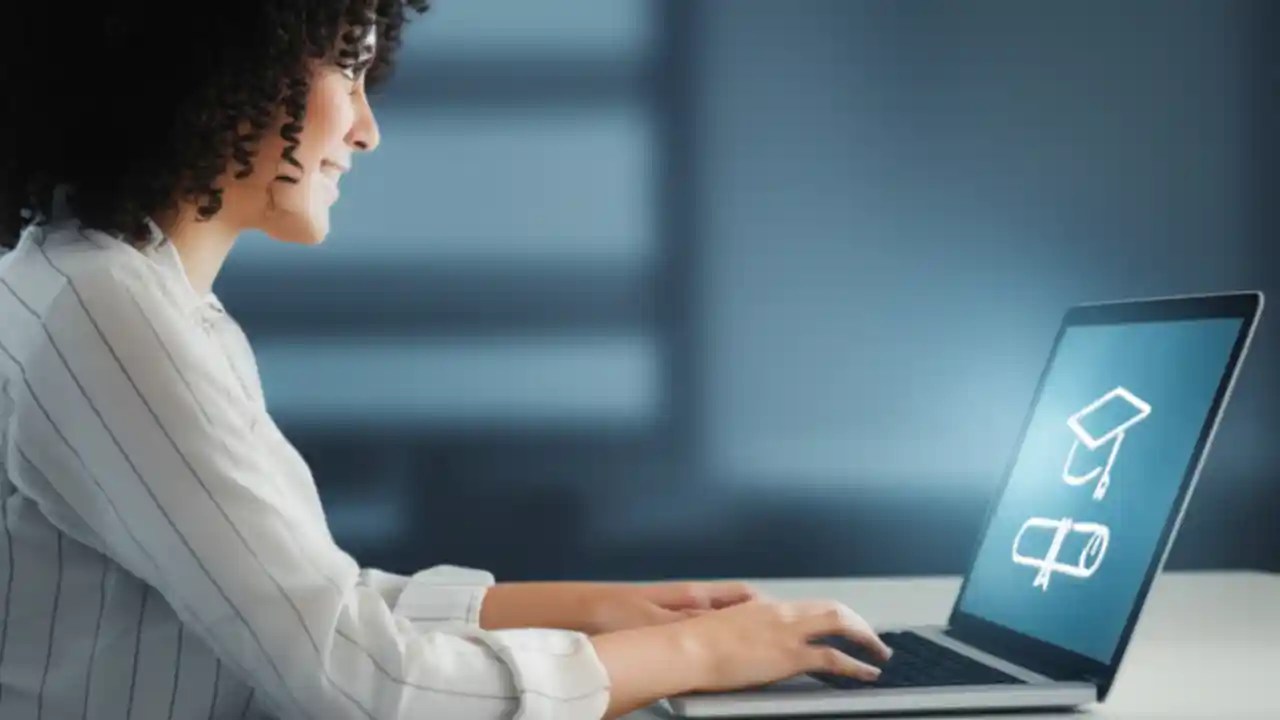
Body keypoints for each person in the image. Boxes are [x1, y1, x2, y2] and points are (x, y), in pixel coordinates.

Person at [0, 2, 892, 718]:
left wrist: (598, 611)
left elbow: (311, 603)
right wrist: (695, 654)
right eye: (347, 70)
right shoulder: (107, 311)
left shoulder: (111, 287)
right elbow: (362, 685)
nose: (365, 129)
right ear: (223, 64)